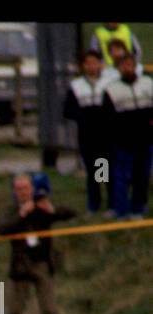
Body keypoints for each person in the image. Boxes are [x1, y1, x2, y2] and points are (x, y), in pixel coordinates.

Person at [0, 173, 74, 314]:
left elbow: (69, 213)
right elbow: (2, 229)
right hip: (20, 266)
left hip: (41, 263)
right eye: (18, 189)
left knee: (49, 308)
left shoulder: (41, 206)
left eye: (25, 188)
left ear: (32, 188)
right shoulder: (13, 210)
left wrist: (52, 211)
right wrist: (22, 214)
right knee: (14, 311)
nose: (21, 192)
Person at [102, 51, 153, 220]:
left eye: (130, 65)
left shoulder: (148, 84)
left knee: (142, 176)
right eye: (124, 66)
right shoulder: (111, 90)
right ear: (118, 68)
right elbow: (107, 118)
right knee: (120, 176)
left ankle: (138, 208)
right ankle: (121, 209)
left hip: (145, 139)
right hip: (122, 142)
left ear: (135, 66)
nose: (128, 68)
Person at [65, 51, 116, 215]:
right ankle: (94, 204)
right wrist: (83, 116)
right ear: (83, 66)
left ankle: (110, 204)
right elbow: (68, 110)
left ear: (100, 64)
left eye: (95, 62)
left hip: (105, 134)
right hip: (87, 135)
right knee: (92, 172)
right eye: (88, 63)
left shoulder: (109, 83)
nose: (91, 66)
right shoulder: (76, 85)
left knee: (104, 170)